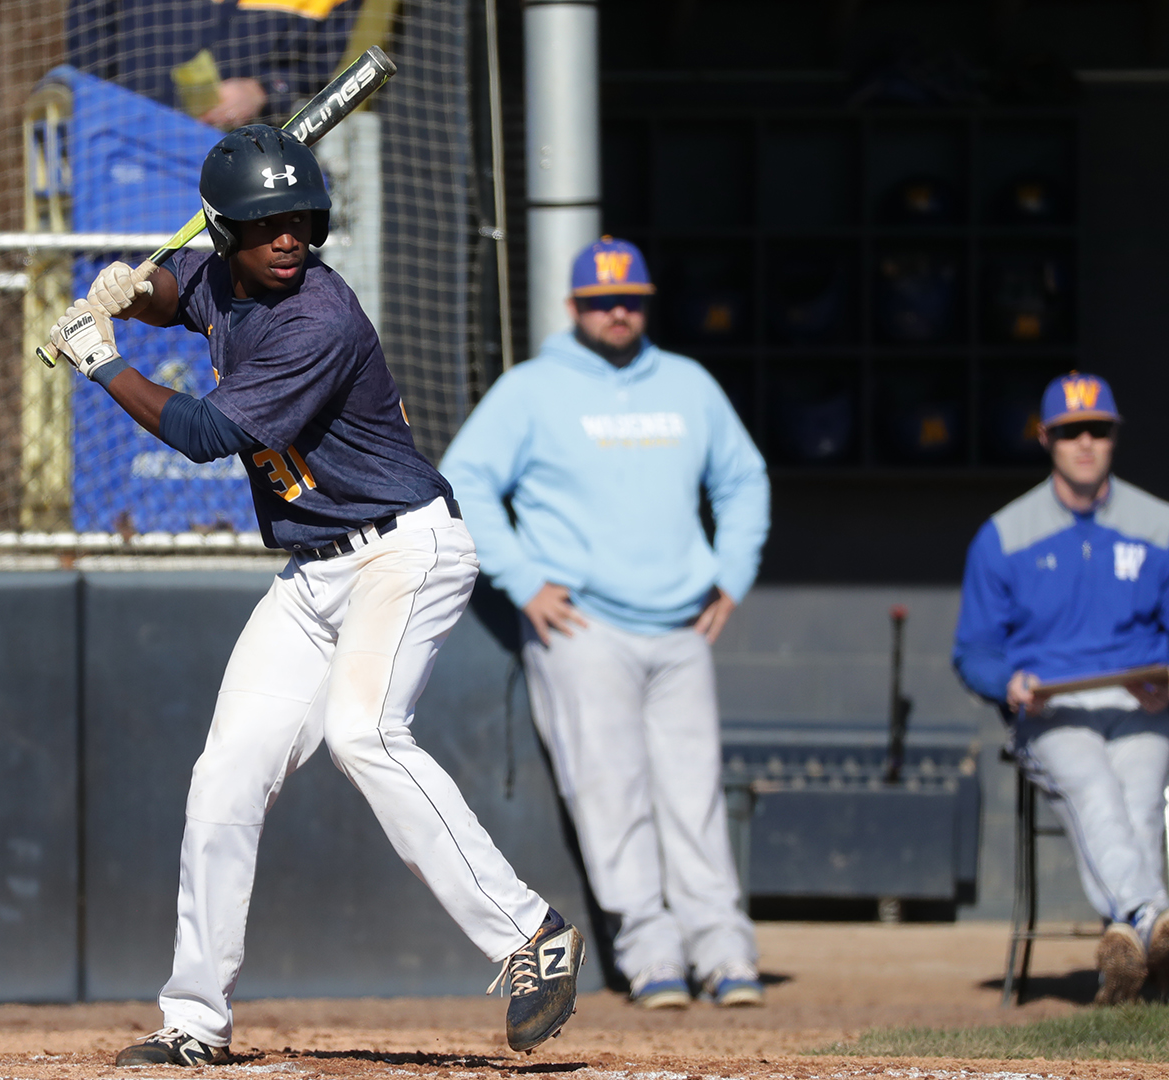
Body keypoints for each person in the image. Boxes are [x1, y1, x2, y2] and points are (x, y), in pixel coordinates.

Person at [48, 125, 583, 1064]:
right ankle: (195, 1021)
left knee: (362, 732)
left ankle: (530, 934)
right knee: (225, 775)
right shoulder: (229, 276)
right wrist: (134, 289)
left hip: (404, 551)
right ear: (228, 233)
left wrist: (103, 361)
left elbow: (207, 435)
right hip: (315, 571)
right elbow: (184, 293)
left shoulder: (316, 318)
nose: (288, 237)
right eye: (266, 224)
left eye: (299, 220)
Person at [440, 237, 771, 1010]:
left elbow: (744, 479)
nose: (617, 312)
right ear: (573, 307)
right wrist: (524, 580)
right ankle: (651, 954)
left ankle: (724, 950)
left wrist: (732, 573)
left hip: (682, 624)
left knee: (694, 794)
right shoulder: (530, 389)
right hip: (583, 628)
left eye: (629, 300)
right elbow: (464, 481)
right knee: (610, 794)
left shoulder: (687, 383)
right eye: (600, 301)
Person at [953, 372, 1169, 1005]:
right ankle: (1150, 919)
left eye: (1097, 429)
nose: (1086, 443)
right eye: (1071, 432)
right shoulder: (1005, 534)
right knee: (1095, 786)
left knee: (1139, 800)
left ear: (1114, 436)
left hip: (1138, 702)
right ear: (1046, 438)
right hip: (1053, 711)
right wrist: (1009, 683)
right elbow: (973, 652)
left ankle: (1127, 948)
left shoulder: (1163, 525)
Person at [65, 0, 360, 128]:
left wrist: (265, 91)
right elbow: (88, 50)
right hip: (129, 149)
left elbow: (333, 69)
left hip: (255, 162)